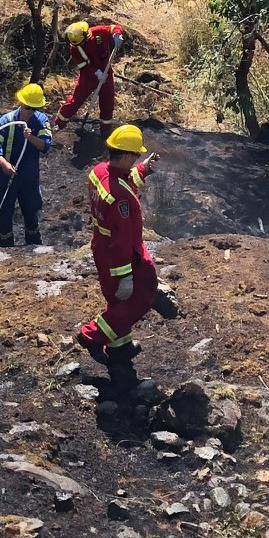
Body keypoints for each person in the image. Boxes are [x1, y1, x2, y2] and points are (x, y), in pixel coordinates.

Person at [76, 123, 159, 384]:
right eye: (134, 157)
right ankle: (92, 335)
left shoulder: (99, 171)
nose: (135, 160)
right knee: (139, 299)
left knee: (117, 303)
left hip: (102, 246)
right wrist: (125, 276)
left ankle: (119, 347)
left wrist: (143, 170)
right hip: (120, 254)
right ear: (124, 156)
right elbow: (122, 239)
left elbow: (122, 180)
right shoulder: (120, 199)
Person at [0, 84, 55, 248]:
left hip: (29, 177)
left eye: (33, 108)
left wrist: (31, 138)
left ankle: (34, 246)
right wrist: (3, 164)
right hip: (6, 174)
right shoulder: (6, 121)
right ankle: (6, 247)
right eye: (27, 107)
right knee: (4, 212)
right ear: (20, 103)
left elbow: (45, 145)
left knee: (31, 209)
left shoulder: (41, 121)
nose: (29, 111)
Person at [56, 19, 126, 128]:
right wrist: (97, 73)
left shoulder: (98, 32)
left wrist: (117, 34)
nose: (81, 44)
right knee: (76, 100)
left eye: (83, 42)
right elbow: (83, 67)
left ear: (86, 36)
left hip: (106, 72)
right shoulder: (75, 48)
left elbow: (115, 27)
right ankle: (59, 123)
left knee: (107, 100)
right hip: (88, 77)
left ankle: (105, 127)